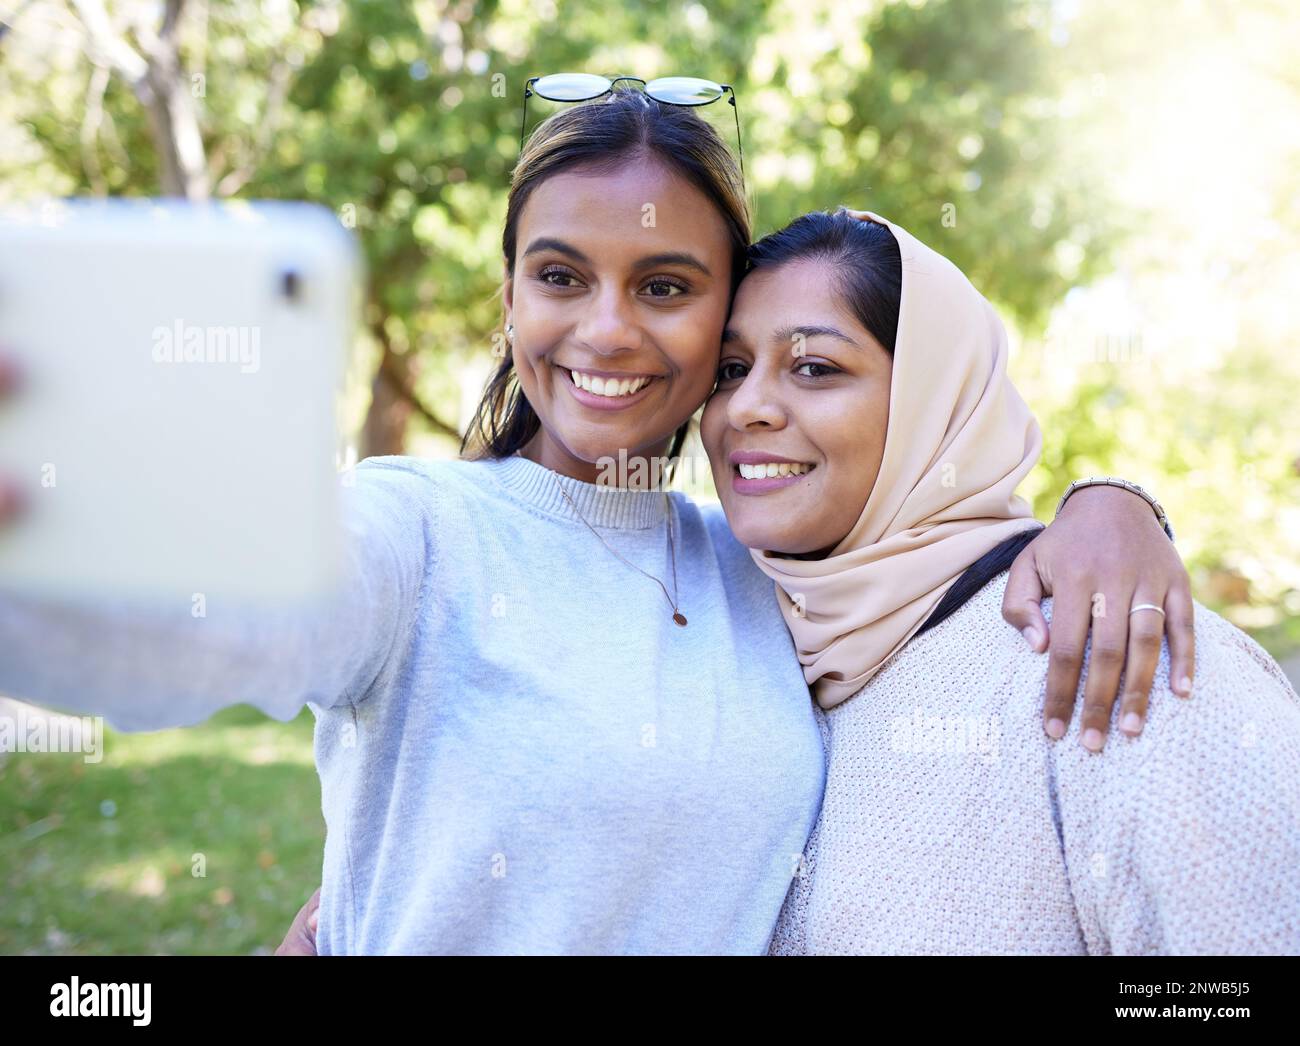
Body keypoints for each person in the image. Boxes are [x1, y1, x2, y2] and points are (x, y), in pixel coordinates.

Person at [0, 90, 1192, 955]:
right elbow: (219, 622)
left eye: (665, 286)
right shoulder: (416, 526)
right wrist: (51, 549)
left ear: (725, 303)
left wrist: (1114, 503)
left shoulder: (757, 567)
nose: (610, 332)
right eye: (562, 276)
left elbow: (932, 539)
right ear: (510, 293)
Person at [694, 207, 1300, 954]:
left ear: (935, 397)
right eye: (729, 370)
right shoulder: (746, 647)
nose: (747, 406)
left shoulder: (1109, 647)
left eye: (815, 367)